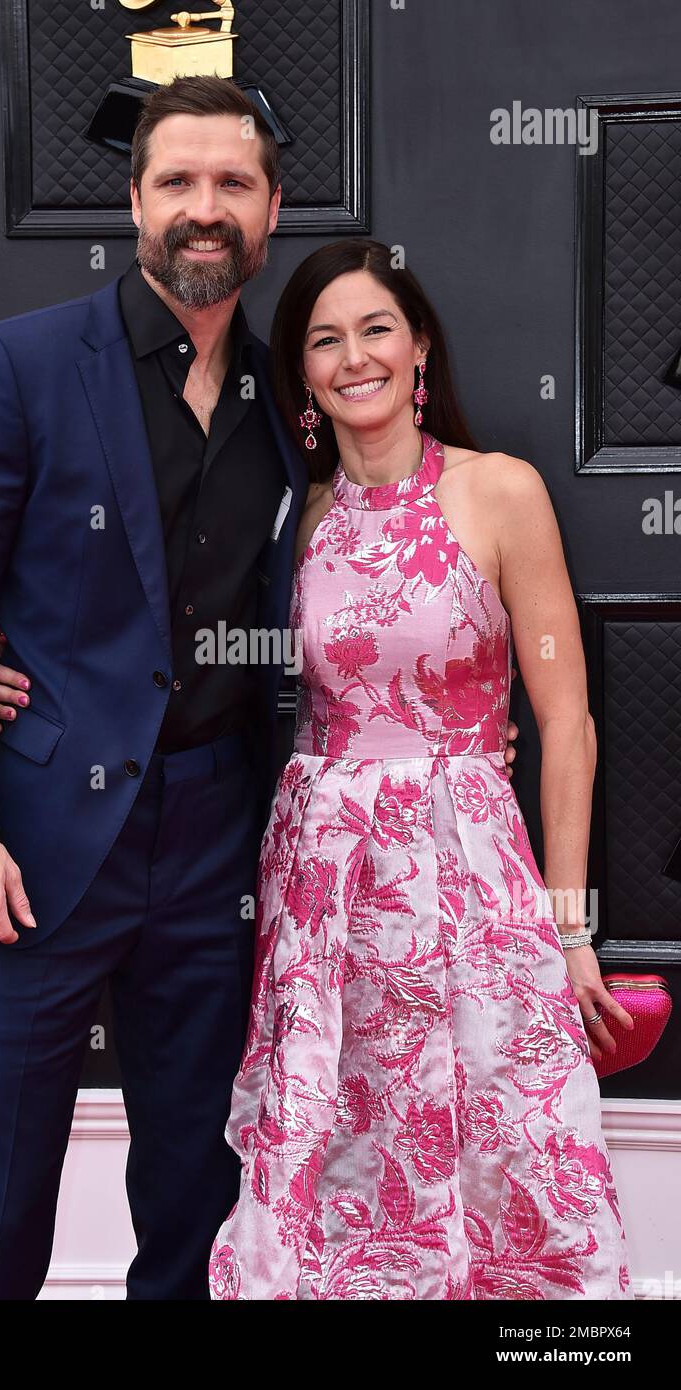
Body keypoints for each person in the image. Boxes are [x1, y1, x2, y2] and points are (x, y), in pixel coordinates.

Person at [0, 74, 517, 1301]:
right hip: (35, 847)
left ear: (271, 210)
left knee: (199, 1191)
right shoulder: (17, 366)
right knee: (1, 1182)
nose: (204, 206)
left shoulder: (292, 406)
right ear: (134, 202)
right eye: (177, 180)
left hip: (220, 851)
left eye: (233, 183)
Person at [202, 240, 636, 1299]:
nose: (356, 357)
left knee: (506, 1131)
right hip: (325, 887)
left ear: (420, 345)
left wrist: (571, 924)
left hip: (470, 866)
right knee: (341, 1145)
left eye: (376, 328)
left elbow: (566, 722)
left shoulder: (500, 493)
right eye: (325, 339)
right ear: (301, 374)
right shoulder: (291, 523)